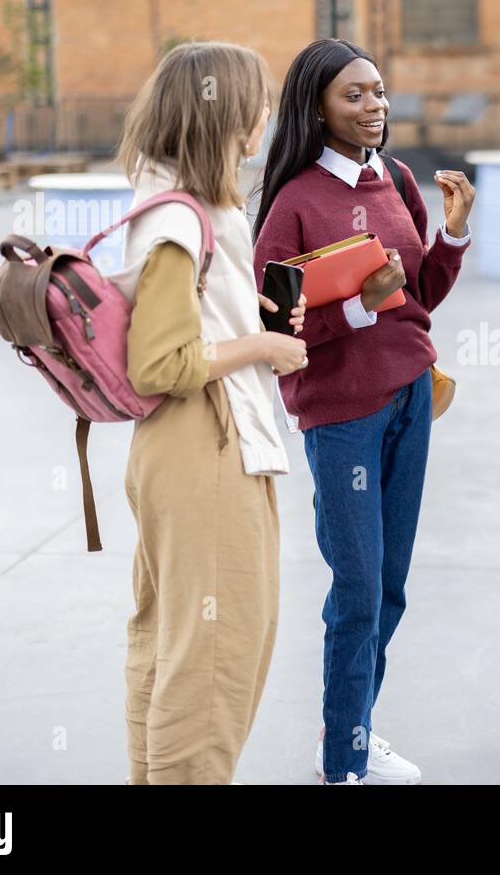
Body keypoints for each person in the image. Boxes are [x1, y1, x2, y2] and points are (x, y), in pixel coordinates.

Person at [253, 38, 476, 785]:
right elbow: (272, 332)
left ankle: (355, 723)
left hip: (411, 395)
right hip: (341, 416)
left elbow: (421, 298)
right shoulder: (292, 205)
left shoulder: (400, 179)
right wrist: (354, 307)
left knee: (389, 586)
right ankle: (340, 762)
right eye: (355, 95)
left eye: (379, 91)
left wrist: (451, 234)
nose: (374, 106)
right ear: (316, 107)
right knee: (357, 590)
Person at [112, 41, 307, 784]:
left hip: (182, 446)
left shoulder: (182, 203)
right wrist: (261, 343)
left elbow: (184, 323)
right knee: (216, 655)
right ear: (223, 111)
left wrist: (241, 316)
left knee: (170, 639)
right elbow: (160, 362)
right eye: (258, 98)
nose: (266, 112)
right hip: (207, 445)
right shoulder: (182, 221)